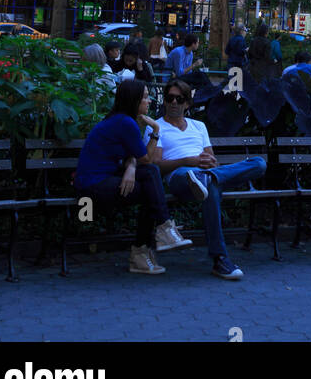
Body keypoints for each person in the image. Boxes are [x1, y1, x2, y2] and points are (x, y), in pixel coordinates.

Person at [74, 78, 191, 275]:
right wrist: (155, 131)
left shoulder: (120, 120)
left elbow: (134, 158)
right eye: (145, 97)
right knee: (149, 189)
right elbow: (146, 159)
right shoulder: (126, 122)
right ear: (133, 100)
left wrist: (131, 168)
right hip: (92, 187)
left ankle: (154, 240)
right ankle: (148, 244)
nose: (149, 100)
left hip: (103, 179)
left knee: (150, 179)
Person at [156, 78, 267, 280]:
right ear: (164, 101)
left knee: (258, 163)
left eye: (178, 99)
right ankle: (220, 260)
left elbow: (212, 159)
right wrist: (187, 161)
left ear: (187, 103)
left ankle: (204, 179)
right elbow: (156, 166)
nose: (173, 102)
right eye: (169, 98)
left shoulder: (198, 126)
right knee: (207, 183)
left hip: (203, 174)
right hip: (179, 177)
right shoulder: (156, 127)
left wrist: (207, 164)